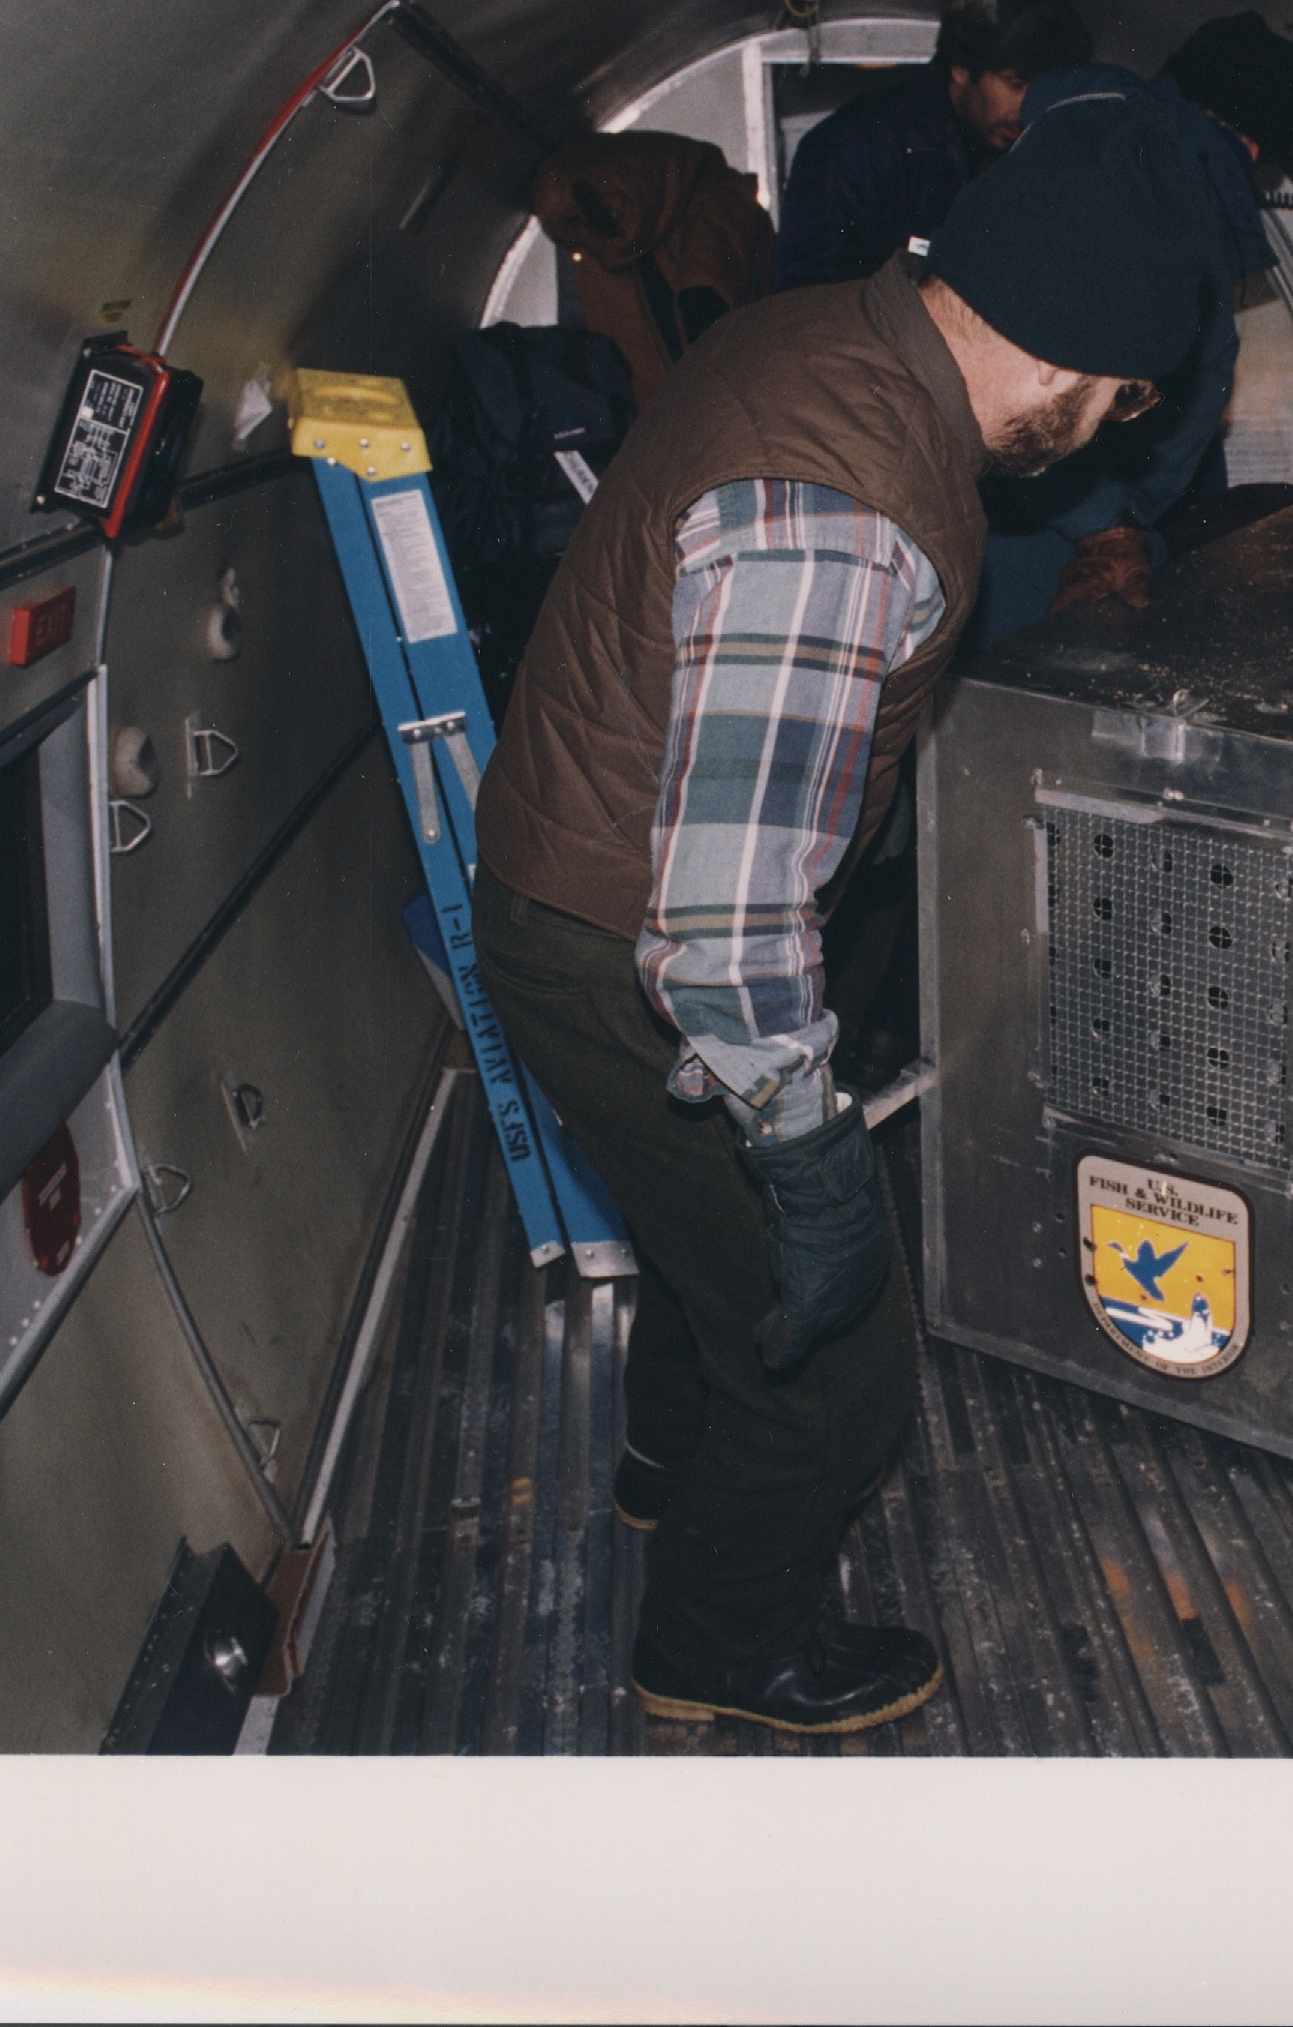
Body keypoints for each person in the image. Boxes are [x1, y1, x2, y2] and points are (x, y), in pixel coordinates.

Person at [470, 98, 1219, 1735]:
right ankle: (716, 1651)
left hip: (563, 877)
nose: (1102, 435)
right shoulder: (848, 502)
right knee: (837, 1361)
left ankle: (669, 1467)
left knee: (705, 1244)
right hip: (626, 942)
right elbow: (727, 923)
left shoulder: (838, 328)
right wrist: (813, 1166)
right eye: (1118, 398)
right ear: (1071, 350)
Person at [970, 10, 1293, 646]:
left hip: (1024, 515)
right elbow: (1069, 377)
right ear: (1255, 147)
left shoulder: (1086, 151)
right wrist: (1112, 526)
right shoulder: (1183, 186)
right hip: (1061, 533)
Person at [769, 0, 1093, 292]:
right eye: (1015, 83)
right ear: (961, 69)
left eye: (1042, 88)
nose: (1027, 109)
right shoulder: (853, 149)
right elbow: (807, 303)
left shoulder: (1037, 151)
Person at [530, 129, 773, 409]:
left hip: (714, 401)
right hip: (698, 407)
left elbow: (708, 297)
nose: (589, 239)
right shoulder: (591, 251)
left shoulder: (712, 200)